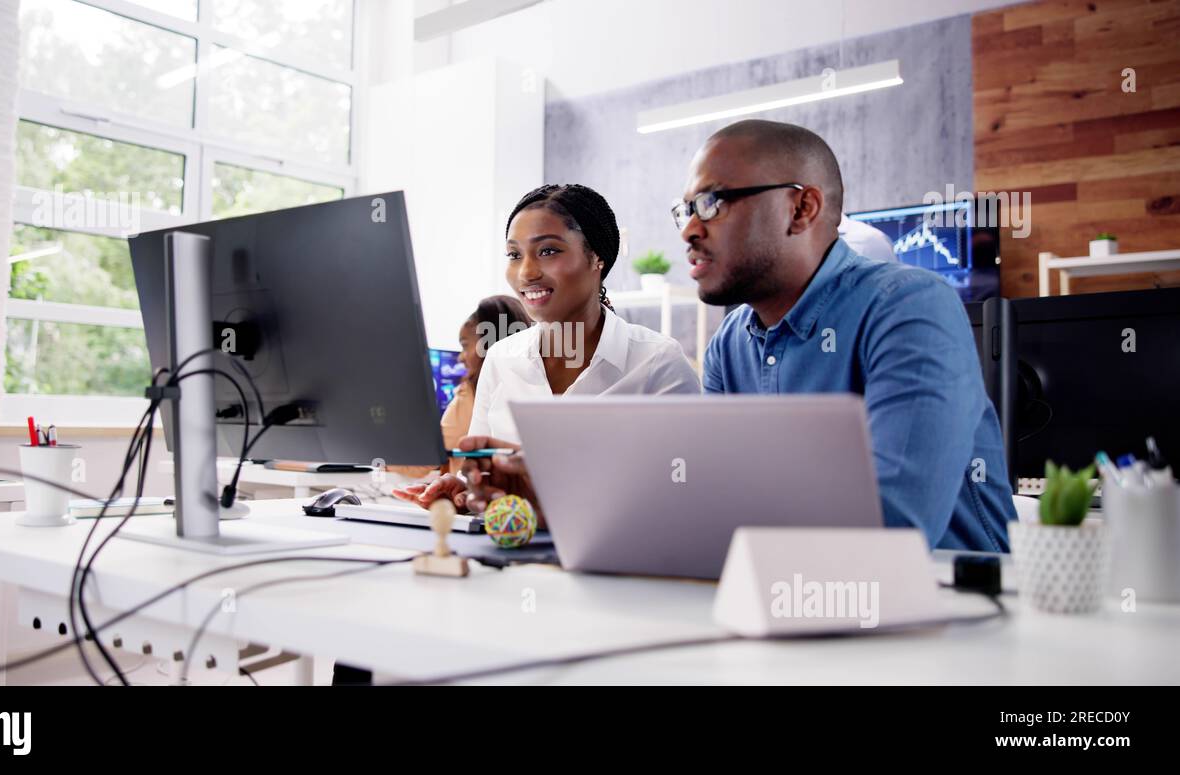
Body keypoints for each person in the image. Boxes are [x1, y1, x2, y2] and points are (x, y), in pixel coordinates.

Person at [682, 119, 1014, 551]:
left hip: (957, 603)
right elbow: (715, 500)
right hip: (792, 593)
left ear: (802, 209)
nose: (690, 229)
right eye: (686, 209)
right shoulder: (729, 345)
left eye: (712, 203)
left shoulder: (909, 305)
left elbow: (895, 527)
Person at [394, 183, 700, 511]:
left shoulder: (658, 363)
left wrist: (552, 497)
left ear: (597, 256)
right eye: (514, 255)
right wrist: (467, 491)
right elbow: (482, 476)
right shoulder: (500, 360)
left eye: (548, 251)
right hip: (505, 558)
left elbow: (685, 495)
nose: (526, 272)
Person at [440, 295, 531, 472]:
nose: (460, 357)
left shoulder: (470, 392)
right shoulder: (529, 380)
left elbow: (434, 450)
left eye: (465, 345)